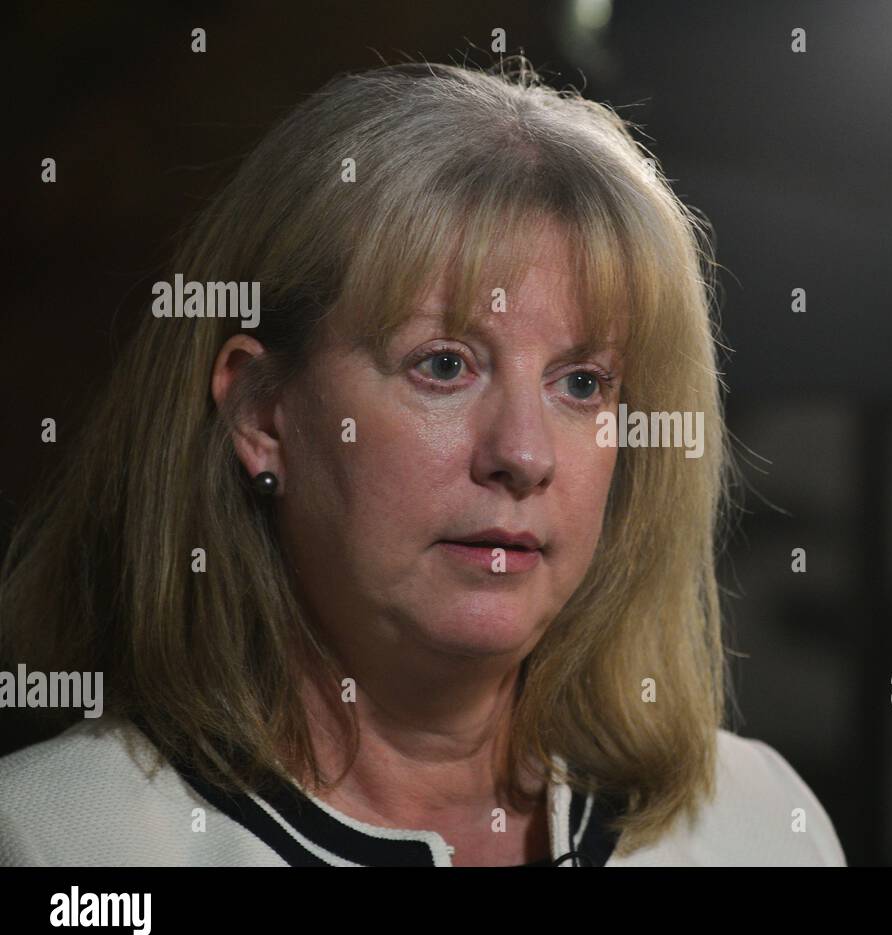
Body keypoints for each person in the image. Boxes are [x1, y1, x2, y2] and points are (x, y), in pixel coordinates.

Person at [0, 59, 846, 866]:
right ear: (262, 415)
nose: (522, 454)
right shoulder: (54, 840)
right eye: (443, 365)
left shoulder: (762, 821)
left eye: (581, 383)